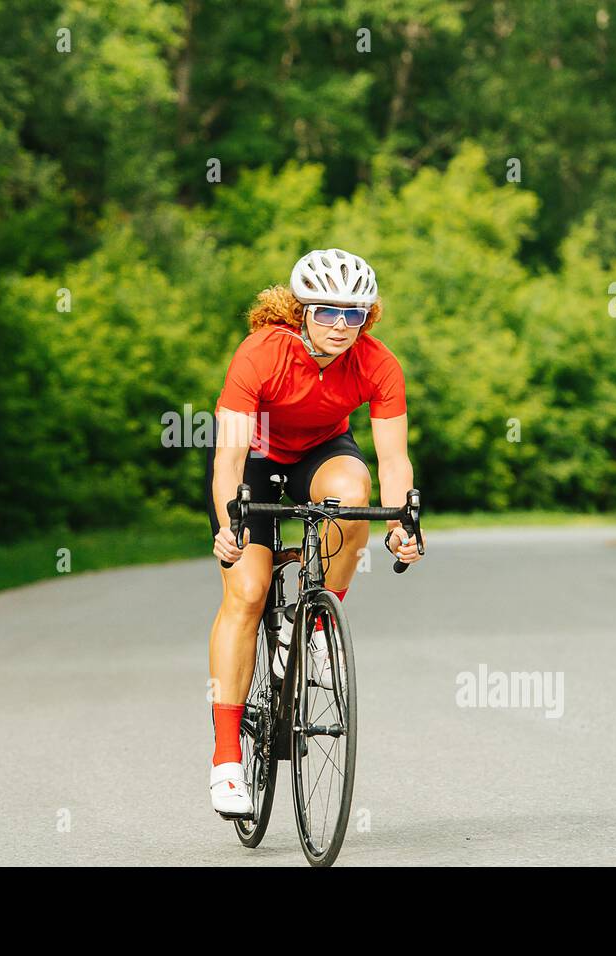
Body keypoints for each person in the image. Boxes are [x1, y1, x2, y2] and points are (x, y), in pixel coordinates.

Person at [206, 248, 422, 817]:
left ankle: (313, 618)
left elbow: (393, 461)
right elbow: (227, 455)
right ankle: (227, 758)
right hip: (254, 459)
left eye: (354, 314)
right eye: (327, 311)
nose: (340, 325)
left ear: (367, 317)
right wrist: (229, 522)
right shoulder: (261, 353)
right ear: (301, 311)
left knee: (354, 497)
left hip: (321, 455)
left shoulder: (378, 363)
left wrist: (403, 524)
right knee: (248, 592)